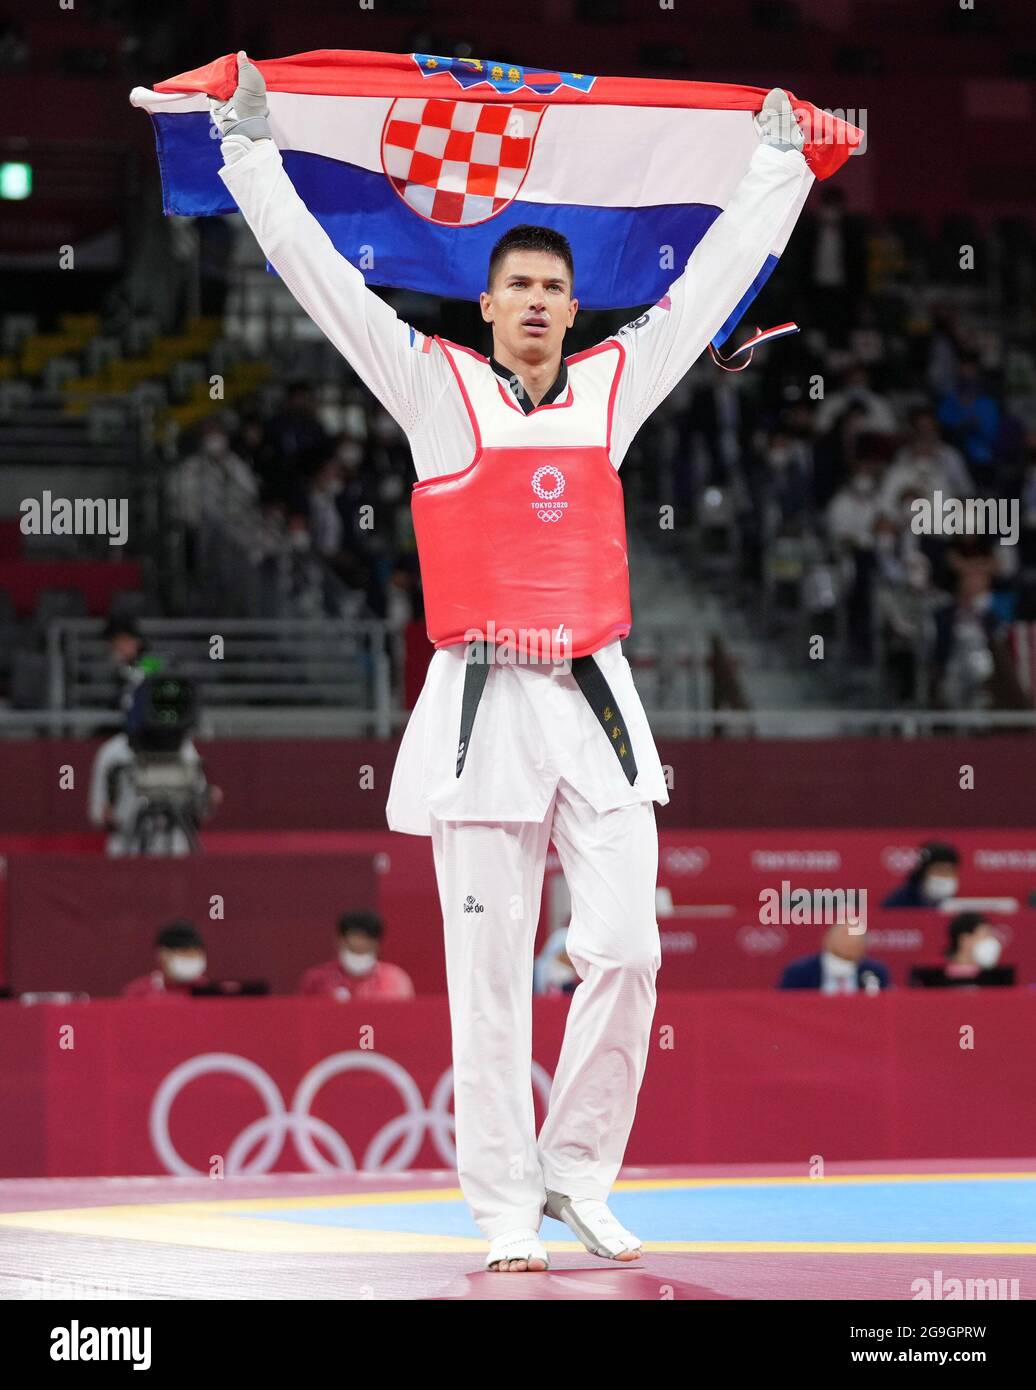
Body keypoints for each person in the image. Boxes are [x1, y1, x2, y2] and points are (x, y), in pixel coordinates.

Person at [211, 55, 812, 1272]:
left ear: (572, 304)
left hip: (595, 699)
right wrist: (246, 153)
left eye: (552, 286)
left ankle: (577, 1173)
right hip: (481, 707)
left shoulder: (610, 386)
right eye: (516, 286)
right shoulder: (433, 390)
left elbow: (701, 294)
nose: (536, 301)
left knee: (629, 951)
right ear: (485, 305)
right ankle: (499, 1210)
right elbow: (327, 286)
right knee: (486, 984)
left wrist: (778, 161)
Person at [298, 910, 415, 1001]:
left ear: (377, 943)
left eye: (366, 938)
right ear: (340, 940)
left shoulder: (395, 979)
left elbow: (404, 1019)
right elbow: (303, 1017)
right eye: (355, 937)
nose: (360, 944)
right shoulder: (317, 979)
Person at [778, 917, 890, 993]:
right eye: (846, 934)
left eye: (858, 936)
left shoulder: (875, 973)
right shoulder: (800, 972)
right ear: (828, 938)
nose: (853, 940)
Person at [121, 920, 210, 999]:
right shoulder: (138, 992)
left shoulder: (211, 993)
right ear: (162, 955)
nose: (189, 959)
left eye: (194, 954)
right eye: (184, 953)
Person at [883, 841, 961, 907]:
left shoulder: (956, 905)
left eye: (949, 871)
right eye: (939, 870)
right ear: (923, 872)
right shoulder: (898, 901)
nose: (944, 875)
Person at [942, 911, 1004, 980]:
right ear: (965, 939)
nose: (990, 943)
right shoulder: (938, 977)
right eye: (984, 936)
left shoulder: (994, 979)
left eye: (990, 936)